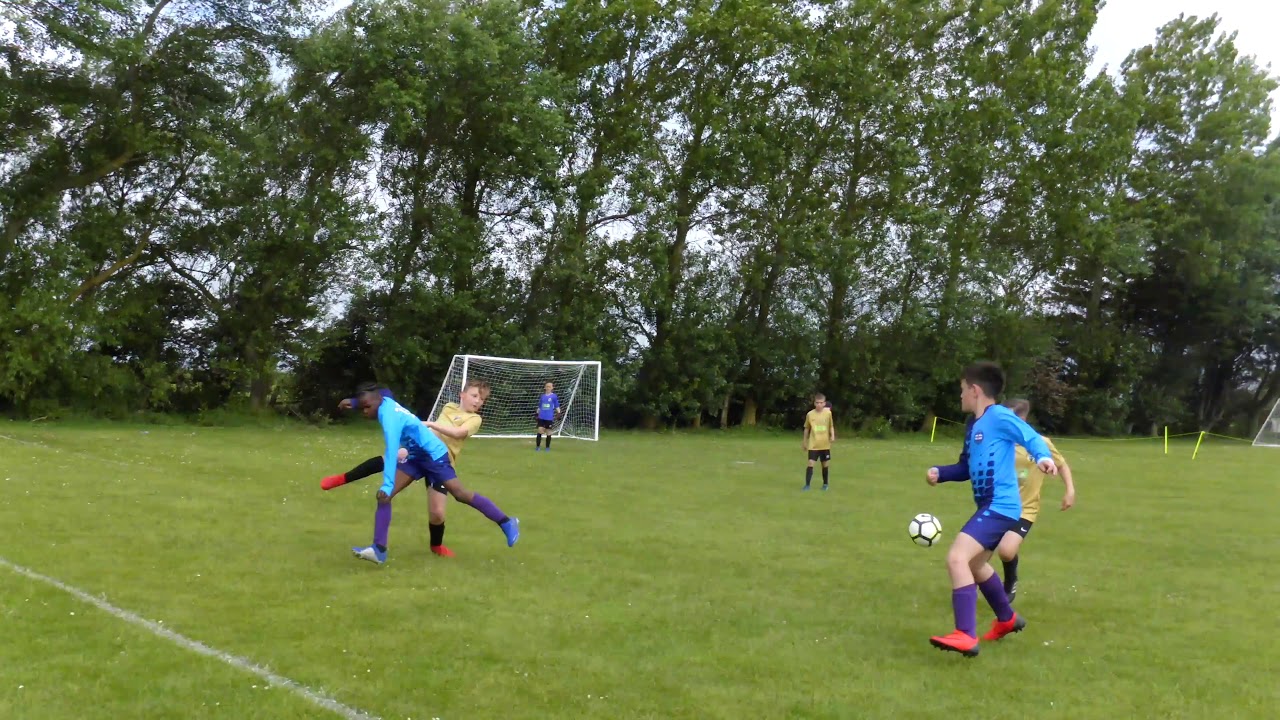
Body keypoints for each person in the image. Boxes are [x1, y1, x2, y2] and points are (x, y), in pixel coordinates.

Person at [925, 362, 1057, 657]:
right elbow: (965, 467)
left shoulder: (999, 416)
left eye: (962, 390)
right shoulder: (973, 427)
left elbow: (1030, 436)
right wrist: (940, 473)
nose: (960, 396)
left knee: (957, 558)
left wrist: (1043, 457)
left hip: (1001, 506)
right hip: (991, 506)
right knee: (974, 565)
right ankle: (1007, 618)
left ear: (974, 390)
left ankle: (965, 634)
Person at [348, 383, 519, 565]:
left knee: (453, 500)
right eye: (475, 395)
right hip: (417, 455)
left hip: (438, 459)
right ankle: (378, 549)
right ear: (462, 394)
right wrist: (354, 401)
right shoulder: (448, 407)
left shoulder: (475, 419)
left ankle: (506, 522)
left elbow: (459, 433)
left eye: (482, 399)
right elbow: (383, 394)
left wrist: (430, 423)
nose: (478, 401)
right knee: (384, 496)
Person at [998, 398, 1076, 602]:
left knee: (1006, 551)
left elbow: (1062, 465)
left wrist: (1070, 490)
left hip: (1025, 509)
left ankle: (1010, 581)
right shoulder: (999, 444)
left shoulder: (1040, 443)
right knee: (975, 558)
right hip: (998, 506)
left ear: (1021, 421)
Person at [802, 393, 834, 491]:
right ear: (814, 403)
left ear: (824, 403)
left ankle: (825, 484)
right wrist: (804, 442)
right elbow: (807, 429)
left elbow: (831, 426)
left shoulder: (828, 414)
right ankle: (807, 485)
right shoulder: (810, 414)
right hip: (813, 444)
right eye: (817, 403)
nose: (819, 404)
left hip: (824, 445)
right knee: (810, 463)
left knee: (825, 465)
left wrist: (832, 435)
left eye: (821, 403)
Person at [535, 381, 560, 452]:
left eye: (549, 386)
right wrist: (537, 414)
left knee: (548, 432)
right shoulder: (542, 396)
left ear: (552, 388)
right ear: (545, 387)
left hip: (549, 417)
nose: (548, 388)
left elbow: (557, 406)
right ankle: (537, 447)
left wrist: (559, 413)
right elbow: (540, 406)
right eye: (547, 386)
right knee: (540, 431)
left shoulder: (554, 396)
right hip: (541, 417)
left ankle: (547, 447)